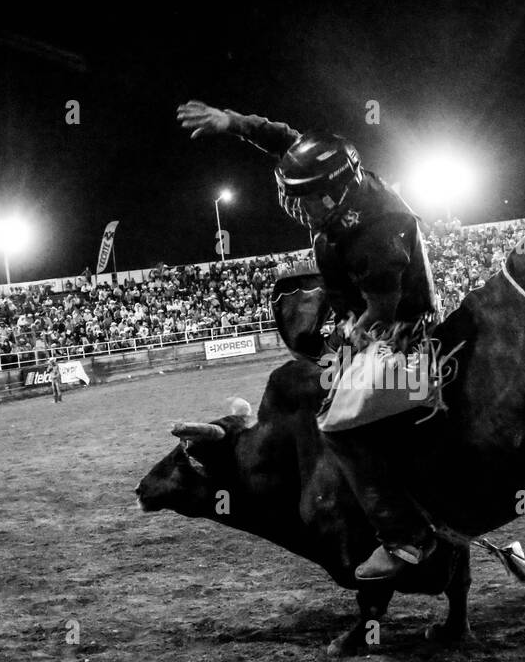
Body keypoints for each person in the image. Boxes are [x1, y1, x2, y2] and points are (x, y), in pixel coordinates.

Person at [178, 99, 441, 581]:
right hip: (362, 305)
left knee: (342, 425)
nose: (296, 205)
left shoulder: (377, 233)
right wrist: (234, 122)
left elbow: (381, 310)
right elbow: (284, 139)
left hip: (406, 332)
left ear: (335, 192)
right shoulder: (336, 176)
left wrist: (348, 335)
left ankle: (407, 536)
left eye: (306, 197)